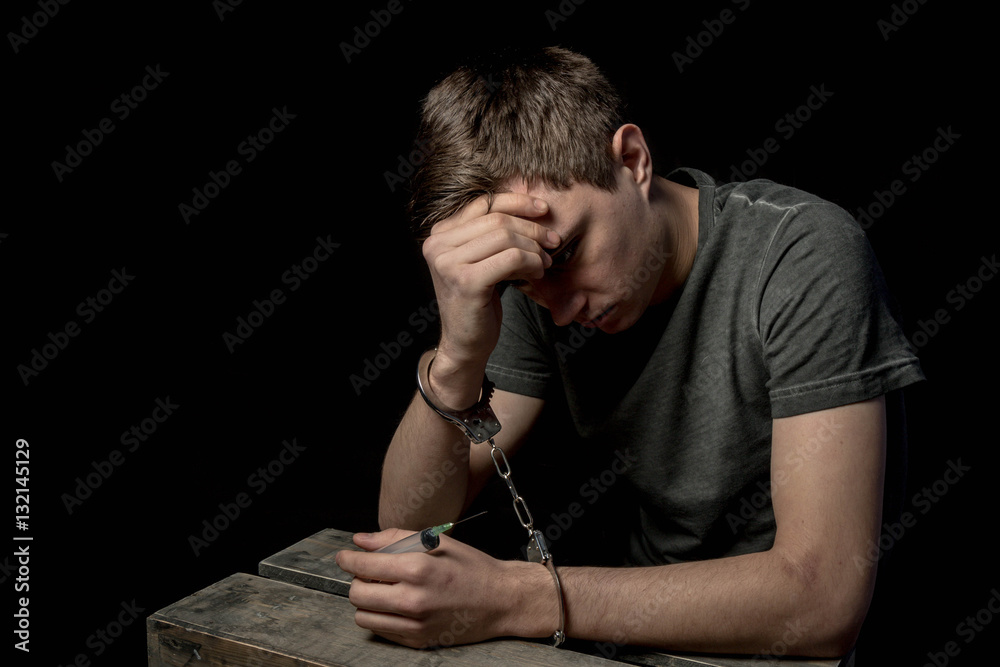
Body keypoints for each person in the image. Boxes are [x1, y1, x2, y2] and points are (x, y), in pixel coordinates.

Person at [335, 46, 924, 657]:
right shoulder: (536, 286)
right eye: (523, 279)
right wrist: (457, 357)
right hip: (629, 638)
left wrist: (519, 596)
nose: (559, 310)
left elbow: (822, 601)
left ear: (634, 161)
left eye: (564, 255)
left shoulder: (800, 254)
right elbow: (411, 529)